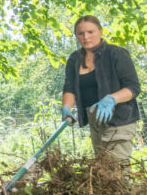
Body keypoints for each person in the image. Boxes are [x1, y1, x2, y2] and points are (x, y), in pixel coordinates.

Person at [60, 15, 141, 163]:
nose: (86, 37)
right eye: (80, 33)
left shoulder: (116, 54)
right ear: (76, 36)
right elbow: (70, 88)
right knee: (102, 171)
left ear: (100, 31)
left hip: (119, 120)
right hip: (95, 121)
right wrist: (66, 107)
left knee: (117, 173)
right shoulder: (74, 60)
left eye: (90, 32)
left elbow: (133, 87)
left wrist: (112, 99)